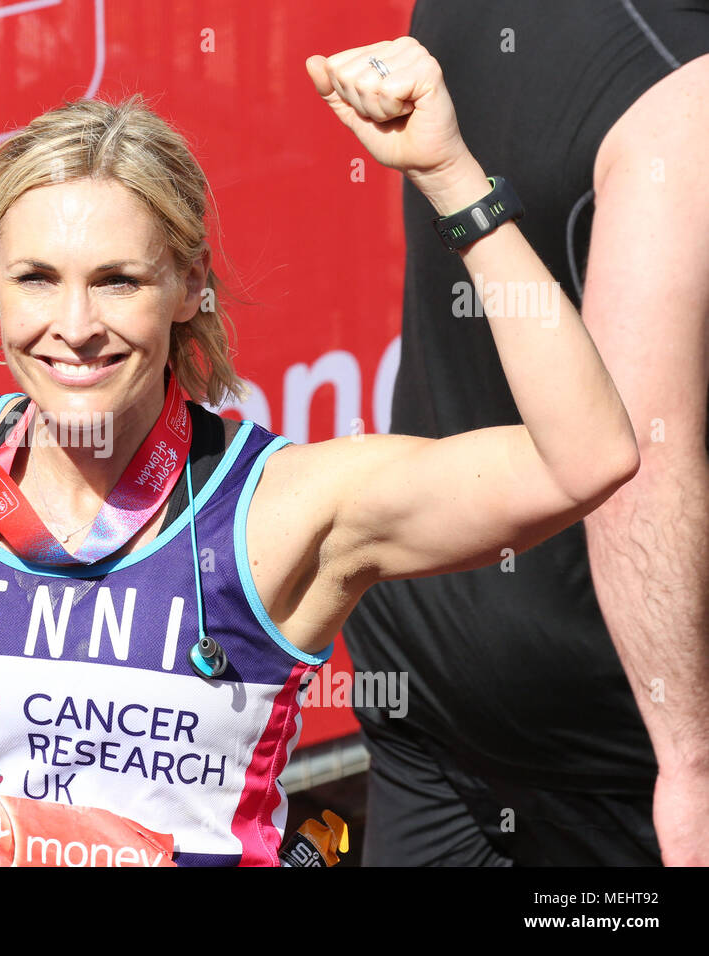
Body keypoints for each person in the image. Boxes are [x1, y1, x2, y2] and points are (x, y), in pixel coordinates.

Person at [0, 37, 644, 865]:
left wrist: (449, 178)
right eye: (37, 278)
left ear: (189, 285)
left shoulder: (281, 508)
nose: (74, 326)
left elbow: (585, 458)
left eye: (118, 281)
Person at [343, 1, 709, 867]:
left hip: (426, 639)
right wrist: (690, 764)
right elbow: (644, 460)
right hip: (605, 723)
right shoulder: (682, 95)